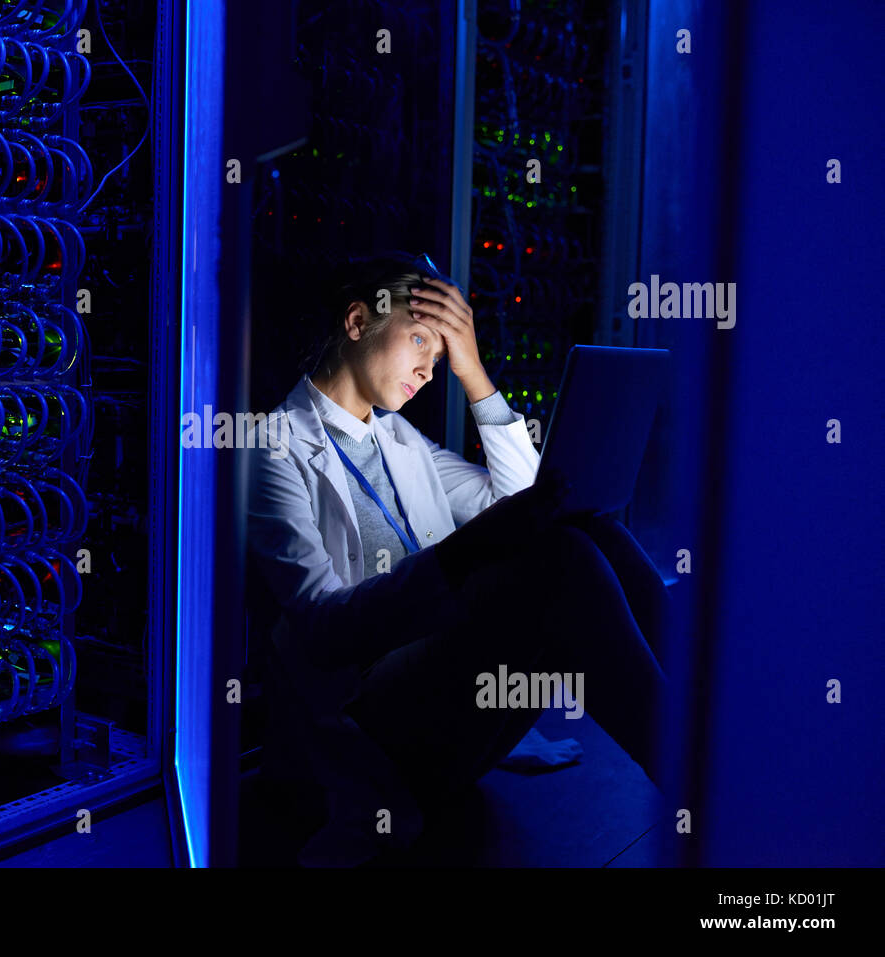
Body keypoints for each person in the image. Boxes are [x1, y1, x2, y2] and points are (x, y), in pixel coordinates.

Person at [243, 254, 670, 867]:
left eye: (441, 357)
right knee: (564, 558)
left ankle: (713, 747)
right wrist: (464, 552)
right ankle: (710, 784)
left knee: (591, 532)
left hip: (450, 716)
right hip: (364, 737)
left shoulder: (398, 438)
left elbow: (536, 504)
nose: (428, 368)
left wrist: (475, 375)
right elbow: (322, 631)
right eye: (421, 340)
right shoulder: (272, 448)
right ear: (358, 321)